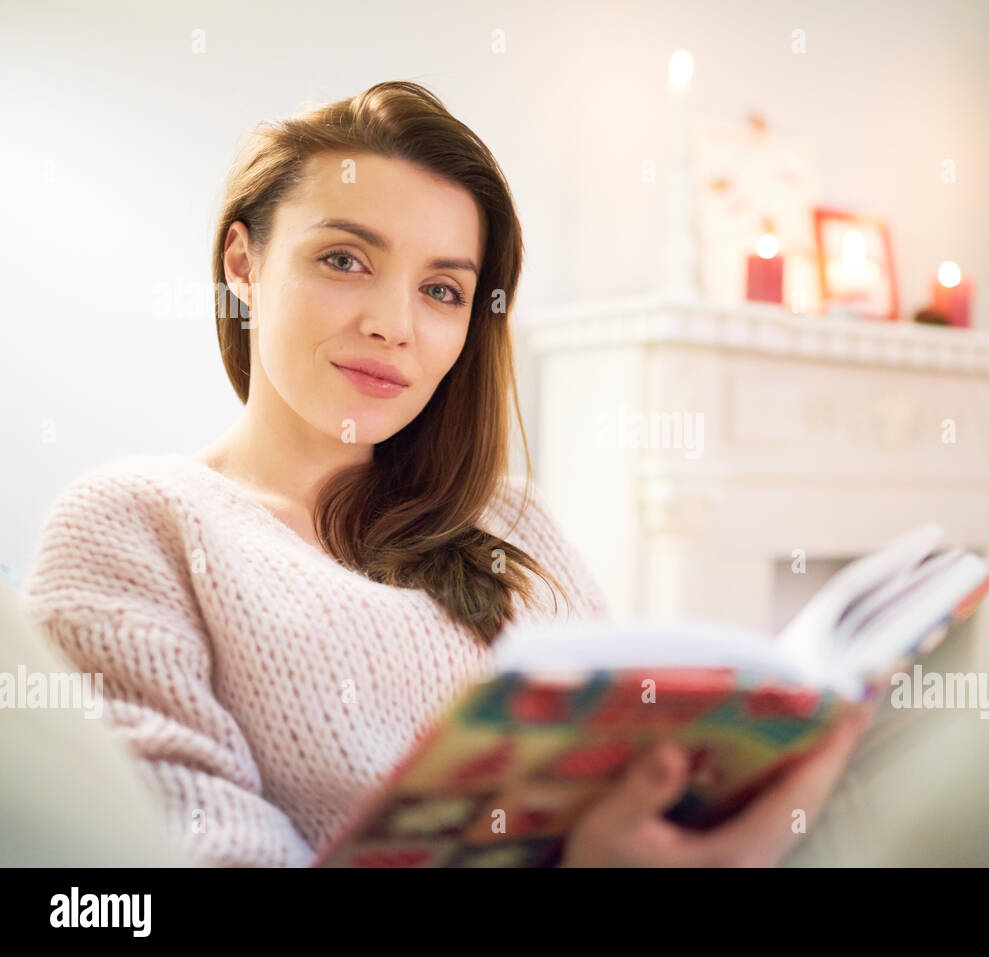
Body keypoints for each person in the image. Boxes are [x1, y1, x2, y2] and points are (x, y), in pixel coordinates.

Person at [17, 80, 872, 868]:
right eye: (345, 259)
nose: (395, 325)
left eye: (442, 291)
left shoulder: (511, 526)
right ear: (243, 264)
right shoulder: (132, 524)